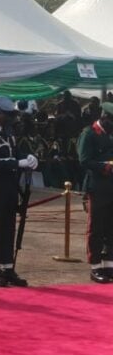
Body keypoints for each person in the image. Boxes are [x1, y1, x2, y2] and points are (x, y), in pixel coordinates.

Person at [0, 96, 37, 287]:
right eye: (9, 115)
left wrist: (28, 157)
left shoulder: (9, 132)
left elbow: (16, 152)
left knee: (9, 227)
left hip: (11, 186)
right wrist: (17, 163)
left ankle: (8, 267)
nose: (12, 119)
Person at [77, 102, 113, 284]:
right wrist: (104, 166)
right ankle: (95, 266)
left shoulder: (110, 134)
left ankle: (109, 265)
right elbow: (84, 160)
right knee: (96, 228)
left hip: (111, 186)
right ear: (104, 117)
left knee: (111, 228)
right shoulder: (89, 133)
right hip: (97, 187)